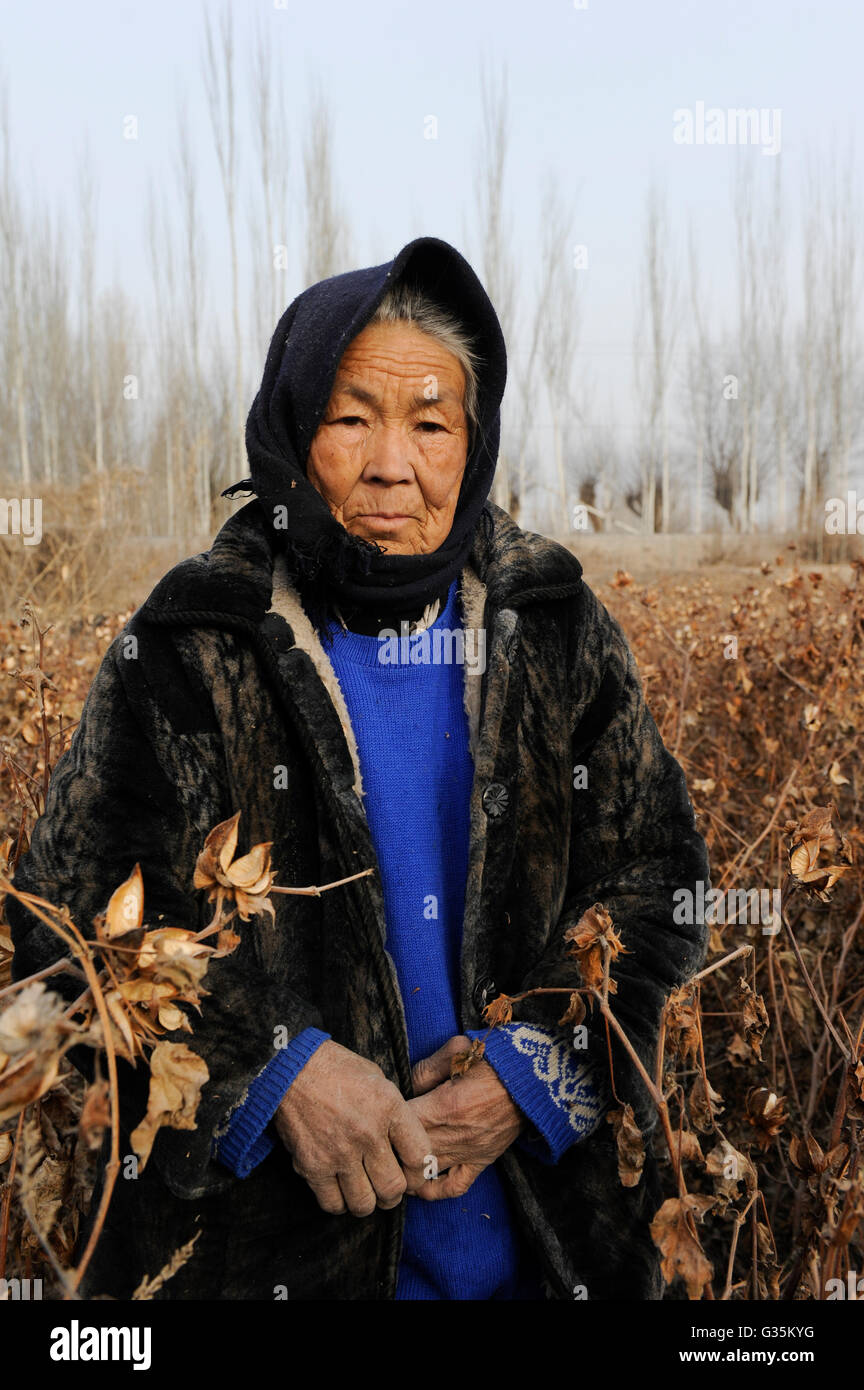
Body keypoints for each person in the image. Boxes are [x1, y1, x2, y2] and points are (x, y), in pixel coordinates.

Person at [7, 236, 710, 1300]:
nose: (393, 464)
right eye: (351, 420)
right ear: (293, 433)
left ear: (472, 445)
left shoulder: (552, 625)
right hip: (269, 1263)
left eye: (431, 423)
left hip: (547, 1257)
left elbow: (660, 877)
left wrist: (536, 1069)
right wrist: (269, 1072)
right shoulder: (200, 637)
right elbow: (69, 919)